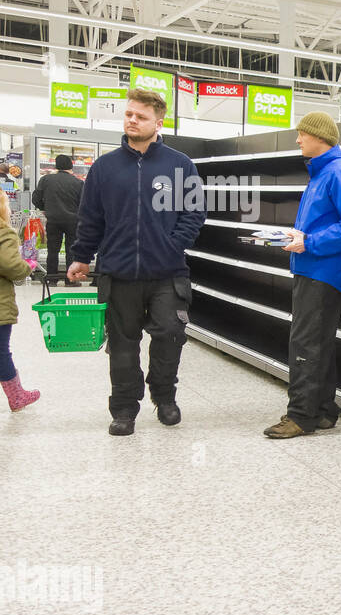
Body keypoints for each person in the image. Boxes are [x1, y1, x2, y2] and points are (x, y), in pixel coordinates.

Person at [67, 88, 205, 436]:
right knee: (122, 345)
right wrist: (82, 257)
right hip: (119, 271)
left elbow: (194, 212)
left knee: (171, 335)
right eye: (129, 114)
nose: (131, 120)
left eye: (140, 116)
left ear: (158, 122)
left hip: (167, 274)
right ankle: (125, 408)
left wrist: (173, 247)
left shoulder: (179, 164)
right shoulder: (104, 167)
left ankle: (165, 397)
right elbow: (91, 218)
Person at [263, 112, 341, 439]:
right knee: (318, 342)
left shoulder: (337, 173)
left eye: (302, 134)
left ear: (320, 137)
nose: (298, 140)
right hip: (313, 267)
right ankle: (323, 410)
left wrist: (309, 242)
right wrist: (297, 237)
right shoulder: (321, 173)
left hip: (323, 271)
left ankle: (300, 416)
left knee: (305, 342)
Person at [0, 190, 40, 411]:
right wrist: (27, 266)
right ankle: (16, 396)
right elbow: (11, 265)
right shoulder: (3, 233)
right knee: (1, 350)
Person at [32, 154, 83, 284]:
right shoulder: (78, 182)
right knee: (71, 250)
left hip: (53, 219)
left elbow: (36, 198)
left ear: (56, 166)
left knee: (53, 250)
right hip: (73, 220)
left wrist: (45, 208)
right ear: (71, 166)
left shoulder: (46, 180)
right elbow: (84, 203)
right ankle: (70, 280)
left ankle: (52, 279)